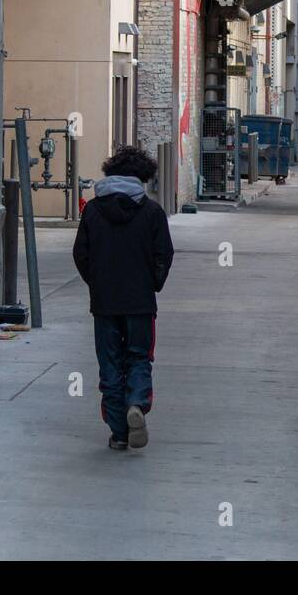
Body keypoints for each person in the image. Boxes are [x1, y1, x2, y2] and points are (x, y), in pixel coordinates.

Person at [73, 146, 175, 451]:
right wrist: (153, 284)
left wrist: (97, 282)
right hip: (140, 303)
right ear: (142, 177)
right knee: (139, 357)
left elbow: (81, 253)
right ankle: (137, 403)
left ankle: (119, 432)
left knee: (110, 363)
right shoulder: (152, 212)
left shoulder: (92, 210)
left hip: (104, 303)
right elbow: (163, 254)